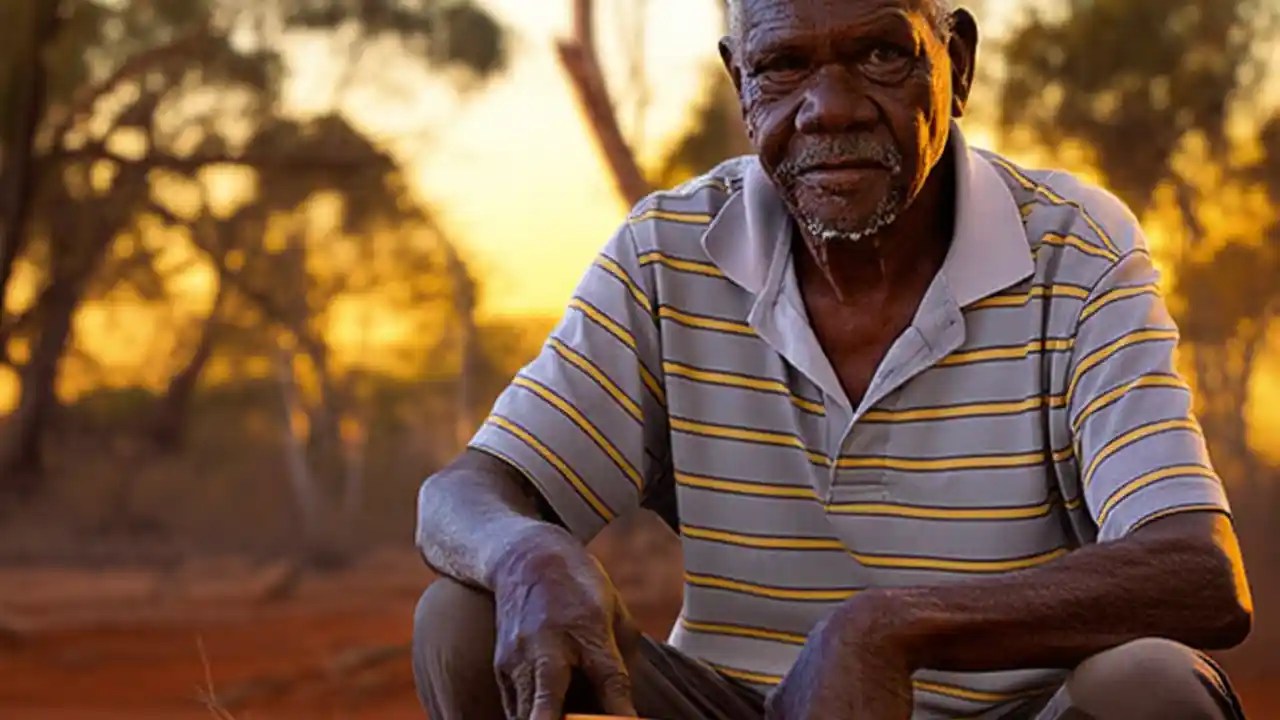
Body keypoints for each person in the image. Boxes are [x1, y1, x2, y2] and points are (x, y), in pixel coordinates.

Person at [411, 0, 1254, 717]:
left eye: (882, 53)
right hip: (740, 702)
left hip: (1016, 711)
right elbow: (465, 494)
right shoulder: (668, 253)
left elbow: (1198, 572)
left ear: (956, 64)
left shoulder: (1075, 246)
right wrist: (526, 550)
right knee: (466, 613)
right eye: (783, 65)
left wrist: (885, 628)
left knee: (1152, 686)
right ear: (738, 80)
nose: (830, 107)